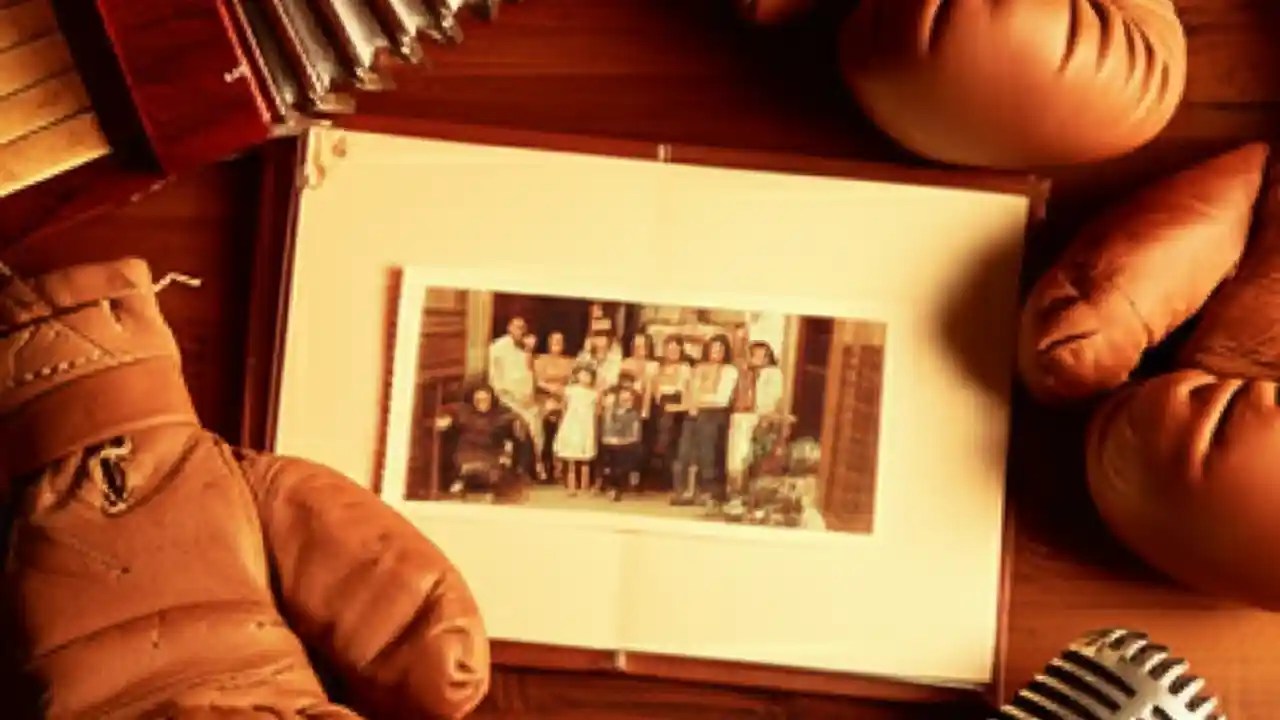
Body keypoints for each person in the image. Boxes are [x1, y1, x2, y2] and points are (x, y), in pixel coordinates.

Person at [671, 334, 738, 505]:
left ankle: (709, 491)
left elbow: (722, 399)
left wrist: (698, 402)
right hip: (695, 412)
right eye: (713, 348)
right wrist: (690, 403)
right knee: (685, 450)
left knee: (708, 450)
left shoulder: (729, 370)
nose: (716, 352)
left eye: (720, 349)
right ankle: (685, 490)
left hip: (715, 413)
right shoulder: (698, 369)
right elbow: (689, 391)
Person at [434, 384, 520, 499]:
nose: (482, 403)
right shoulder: (462, 410)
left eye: (485, 400)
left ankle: (490, 490)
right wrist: (445, 418)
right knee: (466, 466)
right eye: (478, 400)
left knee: (495, 473)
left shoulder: (502, 414)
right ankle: (461, 483)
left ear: (491, 399)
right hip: (466, 452)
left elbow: (514, 433)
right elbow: (444, 411)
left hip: (491, 453)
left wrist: (507, 454)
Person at [725, 341, 785, 503]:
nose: (758, 357)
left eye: (763, 354)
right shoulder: (742, 372)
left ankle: (754, 495)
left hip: (762, 417)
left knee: (757, 455)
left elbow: (775, 397)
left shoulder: (773, 373)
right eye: (755, 353)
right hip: (741, 417)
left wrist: (767, 416)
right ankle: (736, 493)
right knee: (737, 456)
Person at [487, 317, 544, 480]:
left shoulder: (526, 348)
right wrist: (505, 395)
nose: (520, 331)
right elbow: (494, 376)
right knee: (516, 428)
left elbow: (531, 372)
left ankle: (533, 467)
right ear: (509, 328)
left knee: (536, 429)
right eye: (517, 327)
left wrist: (529, 351)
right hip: (508, 399)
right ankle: (510, 470)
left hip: (528, 399)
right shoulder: (498, 347)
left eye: (523, 328)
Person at [648, 335, 691, 487]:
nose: (672, 352)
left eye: (676, 349)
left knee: (669, 437)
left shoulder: (684, 367)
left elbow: (684, 388)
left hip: (676, 402)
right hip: (659, 403)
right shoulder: (657, 367)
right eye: (670, 348)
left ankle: (669, 478)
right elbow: (653, 387)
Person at [533, 330, 575, 482]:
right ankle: (544, 468)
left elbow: (574, 381)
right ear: (548, 342)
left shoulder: (570, 362)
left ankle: (560, 470)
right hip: (543, 400)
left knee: (562, 435)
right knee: (544, 435)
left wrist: (562, 392)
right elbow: (536, 381)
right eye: (554, 340)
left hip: (564, 401)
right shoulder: (540, 360)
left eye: (560, 341)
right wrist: (552, 389)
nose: (557, 343)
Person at [554, 365, 600, 496]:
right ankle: (571, 486)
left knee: (586, 458)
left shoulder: (595, 393)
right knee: (571, 458)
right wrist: (562, 424)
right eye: (583, 374)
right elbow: (564, 407)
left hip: (587, 425)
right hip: (572, 424)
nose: (585, 377)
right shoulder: (570, 390)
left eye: (588, 375)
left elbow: (597, 411)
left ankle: (585, 486)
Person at [599, 385, 643, 502]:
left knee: (619, 459)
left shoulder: (633, 415)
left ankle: (616, 488)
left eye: (629, 400)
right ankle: (610, 486)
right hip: (611, 444)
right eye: (624, 399)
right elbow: (606, 433)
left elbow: (636, 436)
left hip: (626, 445)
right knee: (609, 456)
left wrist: (622, 441)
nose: (627, 402)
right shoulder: (610, 414)